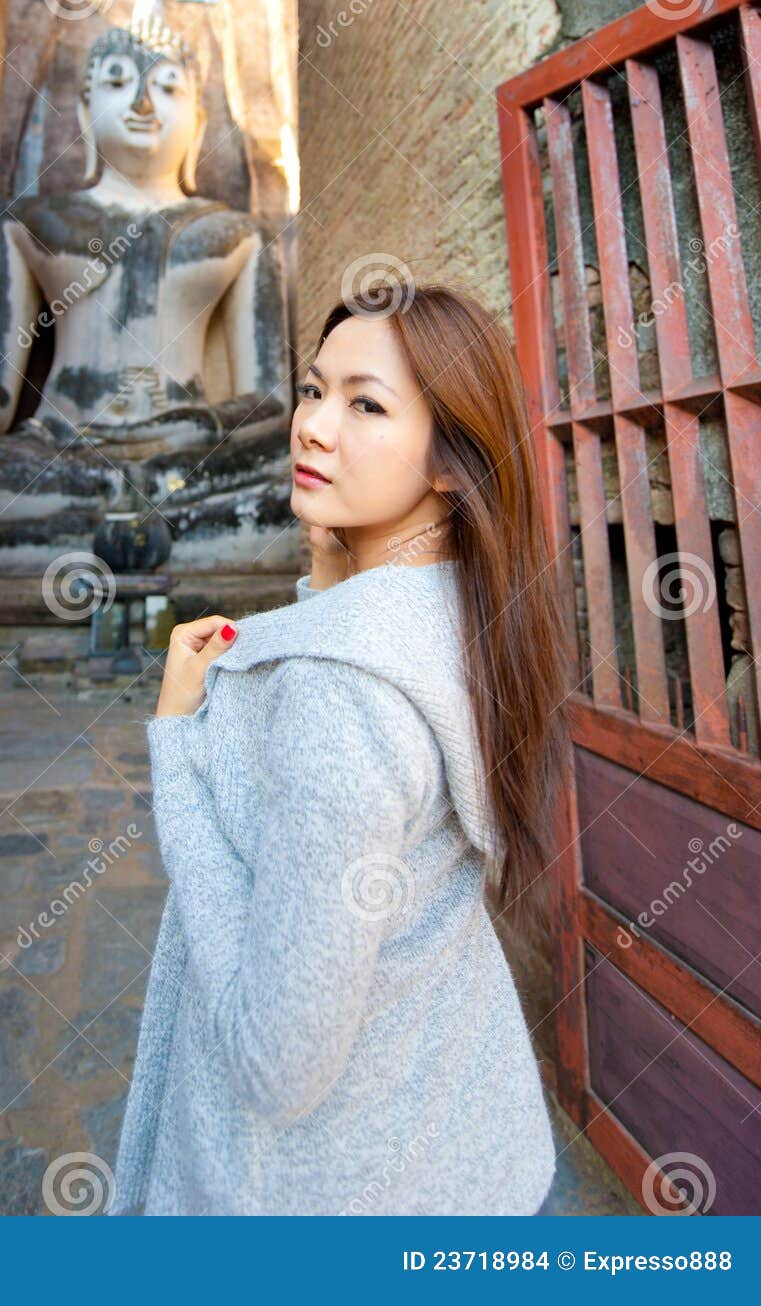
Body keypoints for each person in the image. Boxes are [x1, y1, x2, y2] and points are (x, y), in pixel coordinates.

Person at [108, 280, 573, 1216]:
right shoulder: (469, 609)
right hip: (457, 1151)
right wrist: (330, 572)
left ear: (449, 459)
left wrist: (177, 751)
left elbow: (276, 1062)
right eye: (314, 390)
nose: (312, 427)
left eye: (365, 404)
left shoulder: (341, 690)